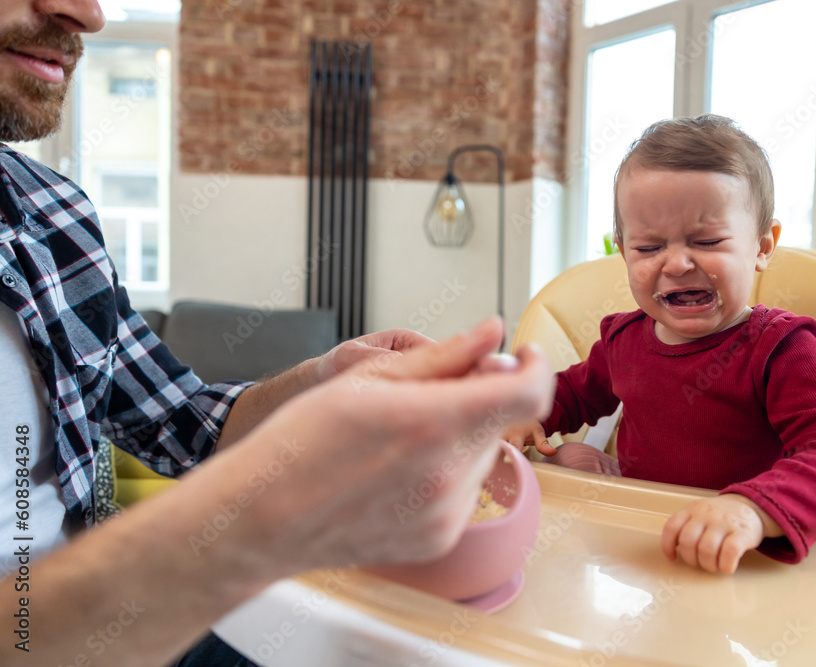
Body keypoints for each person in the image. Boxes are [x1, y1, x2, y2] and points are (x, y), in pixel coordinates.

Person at [0, 1, 554, 665]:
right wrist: (277, 522)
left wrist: (321, 383)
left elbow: (181, 420)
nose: (86, 14)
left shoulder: (56, 216)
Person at [505, 115, 816, 575]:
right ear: (623, 252)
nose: (677, 263)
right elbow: (573, 392)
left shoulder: (781, 349)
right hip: (637, 533)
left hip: (734, 542)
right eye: (648, 248)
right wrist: (530, 413)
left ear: (763, 246)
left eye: (706, 240)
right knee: (566, 459)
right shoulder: (623, 338)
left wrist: (752, 510)